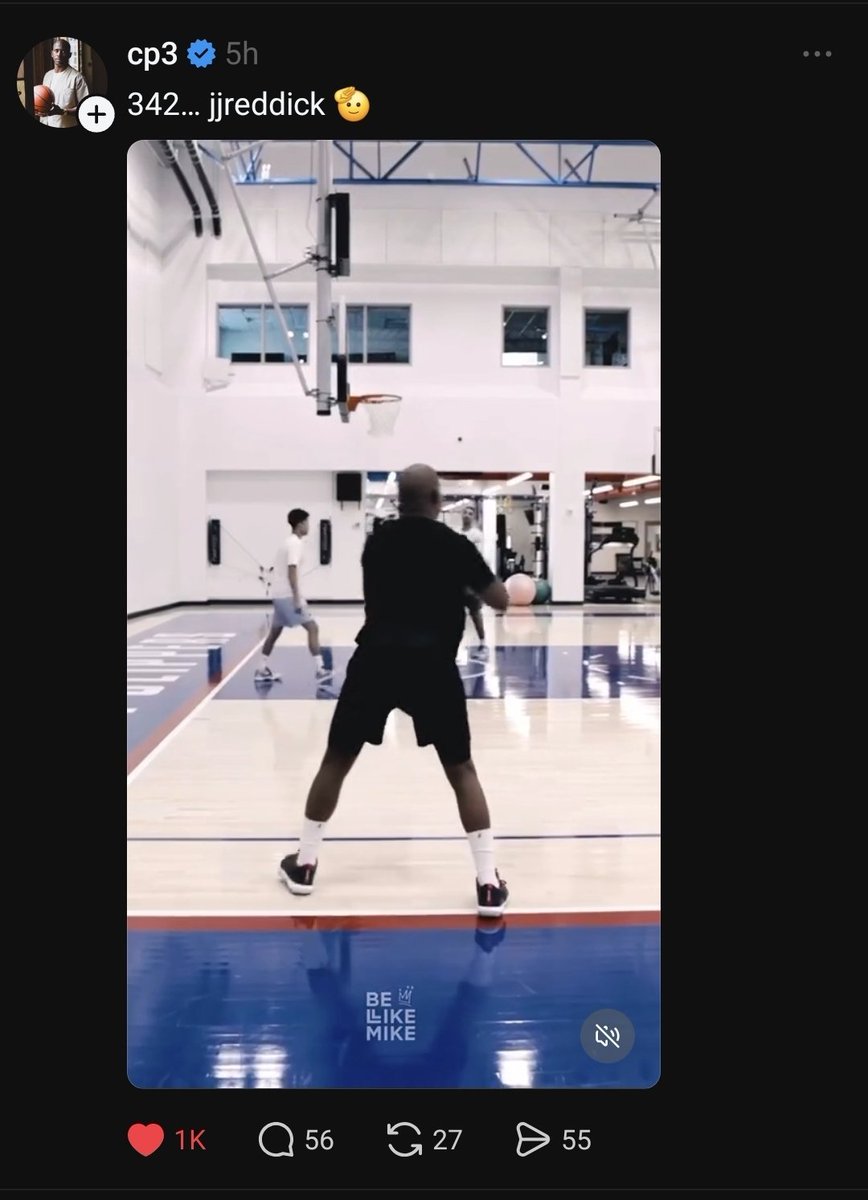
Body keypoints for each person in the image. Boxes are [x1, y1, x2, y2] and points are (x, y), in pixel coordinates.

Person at [278, 464, 511, 917]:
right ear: (437, 500)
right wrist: (469, 586)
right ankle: (487, 884)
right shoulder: (456, 546)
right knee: (461, 770)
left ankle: (304, 864)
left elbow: (392, 588)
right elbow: (500, 599)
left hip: (376, 662)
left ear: (399, 500)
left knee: (336, 760)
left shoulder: (377, 542)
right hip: (433, 667)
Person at [255, 509, 333, 684]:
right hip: (288, 596)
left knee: (274, 633)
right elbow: (292, 570)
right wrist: (297, 597)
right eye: (307, 522)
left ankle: (261, 669)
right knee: (313, 628)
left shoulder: (287, 543)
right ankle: (320, 670)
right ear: (300, 524)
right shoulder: (295, 544)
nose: (308, 526)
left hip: (278, 595)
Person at [39, 39, 89, 128]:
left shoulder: (77, 78)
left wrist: (63, 111)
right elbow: (43, 101)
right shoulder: (47, 75)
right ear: (52, 53)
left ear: (69, 55)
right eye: (56, 51)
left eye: (63, 51)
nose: (59, 54)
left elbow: (85, 108)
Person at [459, 508, 489, 658]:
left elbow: (477, 558)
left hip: (471, 580)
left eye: (470, 514)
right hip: (457, 580)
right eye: (465, 512)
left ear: (473, 517)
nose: (467, 515)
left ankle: (483, 644)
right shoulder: (456, 533)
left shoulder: (476, 535)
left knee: (475, 612)